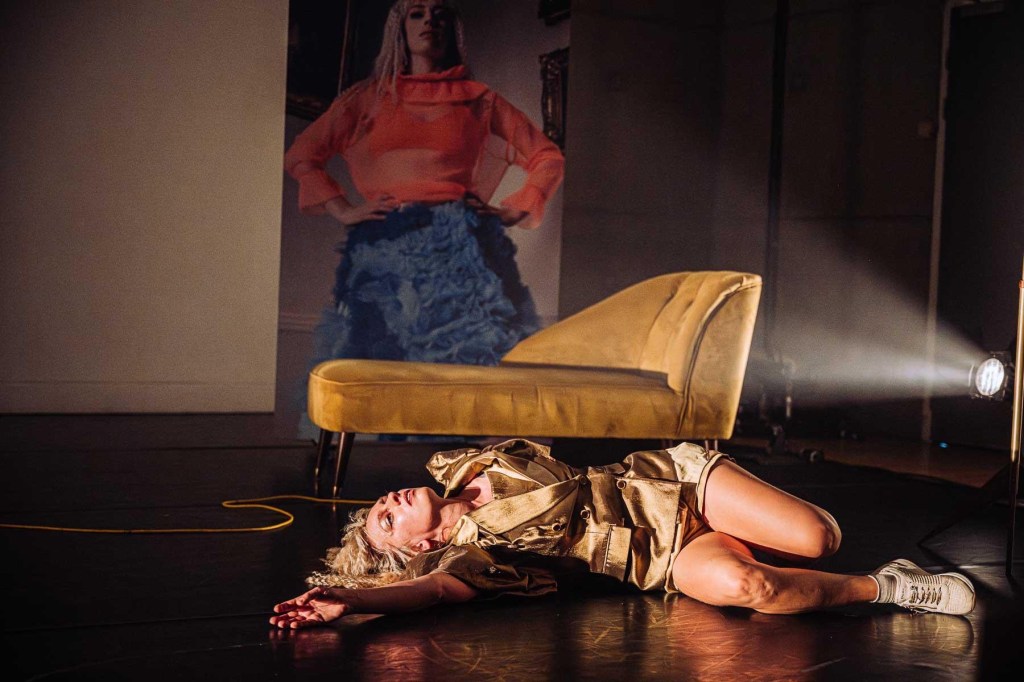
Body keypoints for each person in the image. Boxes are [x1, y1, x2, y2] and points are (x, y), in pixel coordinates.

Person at [269, 439, 976, 628]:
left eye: (382, 502)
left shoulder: (462, 463)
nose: (388, 500)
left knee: (819, 537)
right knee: (747, 585)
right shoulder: (472, 557)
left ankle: (787, 543)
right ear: (419, 547)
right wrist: (352, 600)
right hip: (662, 554)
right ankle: (889, 585)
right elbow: (427, 594)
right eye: (387, 519)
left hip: (674, 481)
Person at [285, 0, 564, 436]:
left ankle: (464, 465)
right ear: (399, 27)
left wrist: (512, 210)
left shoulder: (479, 99)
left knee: (467, 356)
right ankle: (364, 462)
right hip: (386, 243)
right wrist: (344, 208)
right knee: (376, 355)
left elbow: (547, 157)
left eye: (439, 14)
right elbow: (303, 154)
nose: (429, 22)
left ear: (452, 28)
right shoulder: (368, 97)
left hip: (463, 244)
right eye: (417, 13)